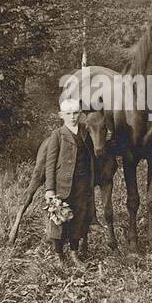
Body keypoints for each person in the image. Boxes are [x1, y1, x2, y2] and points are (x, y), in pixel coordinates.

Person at [43, 98, 96, 260]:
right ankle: (59, 255)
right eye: (68, 114)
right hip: (62, 185)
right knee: (59, 219)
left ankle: (74, 252)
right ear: (61, 115)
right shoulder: (58, 135)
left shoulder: (85, 131)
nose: (72, 117)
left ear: (80, 114)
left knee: (78, 218)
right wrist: (50, 189)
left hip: (82, 183)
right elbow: (50, 164)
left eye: (75, 113)